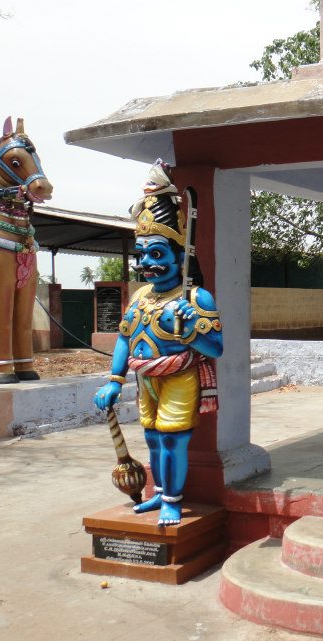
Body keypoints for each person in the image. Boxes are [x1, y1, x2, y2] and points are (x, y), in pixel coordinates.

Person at [93, 161, 223, 526]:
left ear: (180, 257)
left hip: (179, 377)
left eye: (157, 254)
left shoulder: (197, 299)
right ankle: (160, 493)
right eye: (142, 254)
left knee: (172, 441)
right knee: (152, 440)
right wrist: (114, 380)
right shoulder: (140, 296)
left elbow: (216, 349)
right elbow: (124, 338)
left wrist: (192, 332)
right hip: (144, 379)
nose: (146, 263)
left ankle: (172, 498)